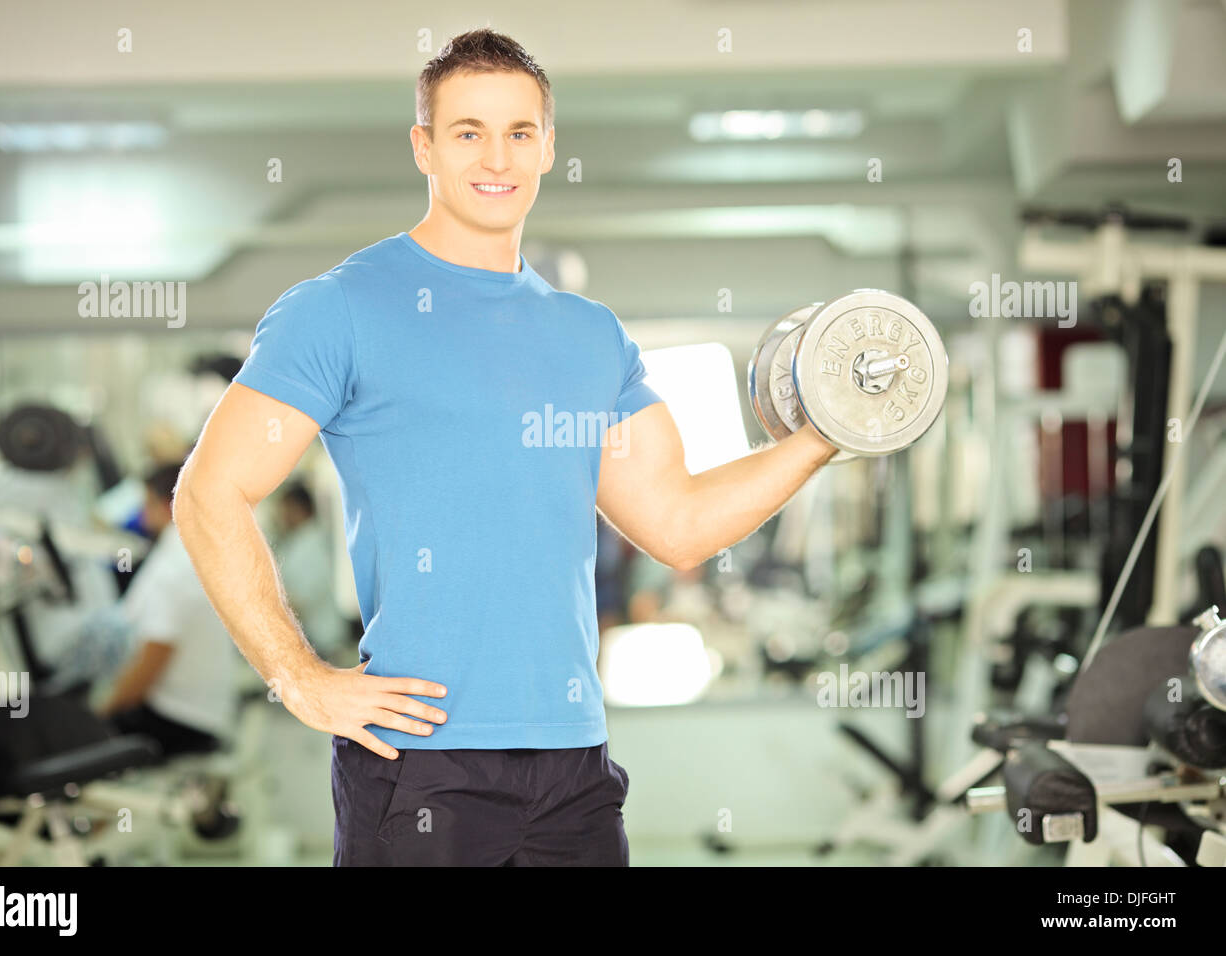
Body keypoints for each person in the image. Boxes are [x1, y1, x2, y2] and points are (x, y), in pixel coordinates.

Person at [174, 28, 835, 866]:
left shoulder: (589, 335)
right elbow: (207, 493)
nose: (498, 157)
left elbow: (678, 522)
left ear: (549, 147)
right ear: (424, 147)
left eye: (520, 132)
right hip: (419, 761)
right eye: (468, 132)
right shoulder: (339, 308)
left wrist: (823, 437)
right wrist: (296, 675)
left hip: (573, 763)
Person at [100, 461, 238, 757]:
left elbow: (155, 653)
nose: (141, 512)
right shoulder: (193, 549)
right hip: (204, 709)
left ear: (169, 505)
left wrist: (102, 712)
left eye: (146, 502)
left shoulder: (174, 569)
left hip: (180, 719)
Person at [272, 481, 347, 659]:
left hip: (323, 646)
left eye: (286, 509)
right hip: (314, 644)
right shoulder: (299, 542)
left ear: (300, 508)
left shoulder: (311, 547)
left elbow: (300, 603)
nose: (282, 516)